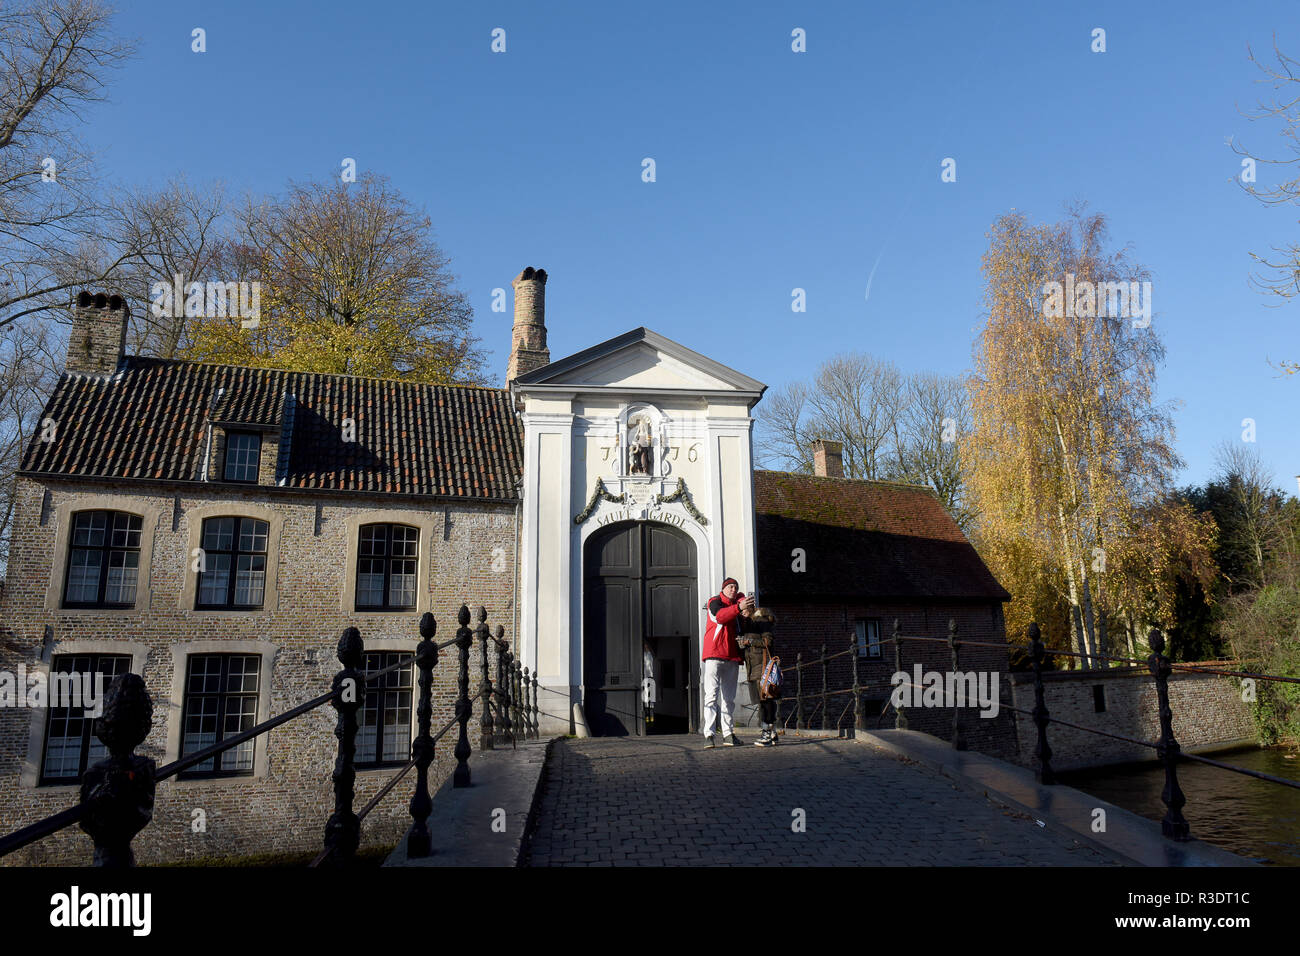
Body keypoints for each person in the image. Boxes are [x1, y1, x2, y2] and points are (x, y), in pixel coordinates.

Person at [701, 577, 756, 748]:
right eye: (730, 586)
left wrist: (746, 613)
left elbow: (744, 624)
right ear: (723, 588)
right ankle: (709, 735)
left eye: (736, 587)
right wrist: (739, 606)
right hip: (714, 654)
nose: (733, 589)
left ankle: (728, 734)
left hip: (732, 655)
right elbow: (720, 617)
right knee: (711, 697)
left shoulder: (737, 608)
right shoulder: (714, 602)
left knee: (729, 698)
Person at [642, 639, 657, 727]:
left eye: (647, 646)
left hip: (650, 677)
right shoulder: (644, 655)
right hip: (645, 677)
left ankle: (651, 717)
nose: (646, 647)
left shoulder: (650, 655)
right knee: (646, 698)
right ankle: (647, 717)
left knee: (651, 698)